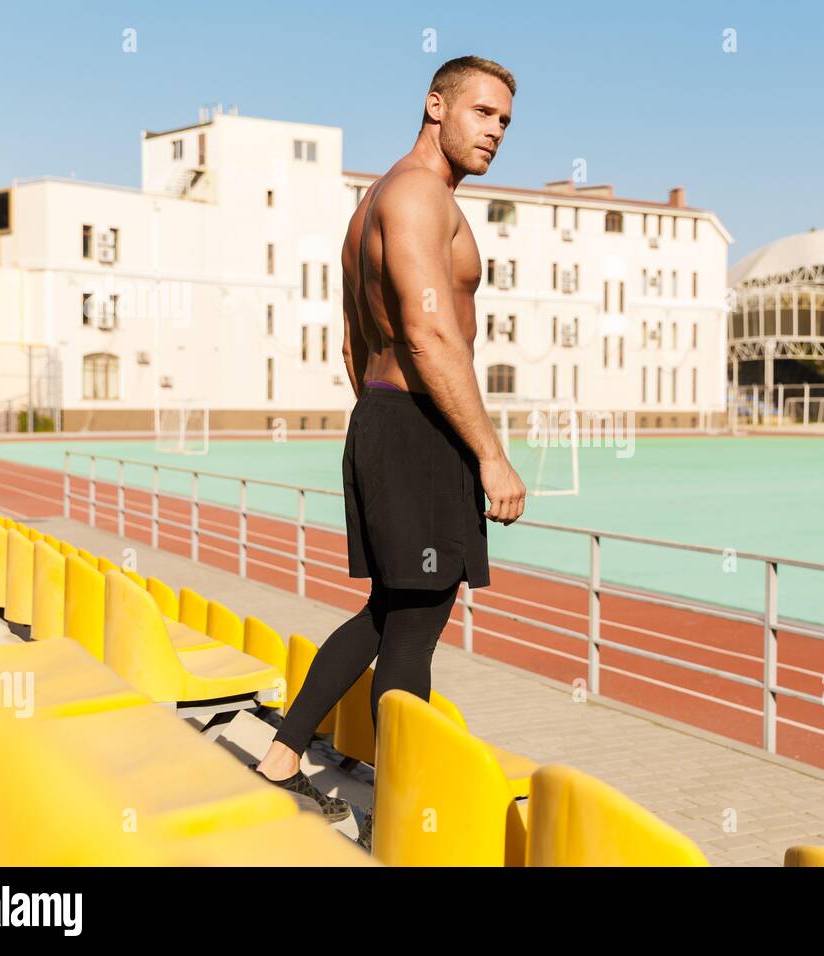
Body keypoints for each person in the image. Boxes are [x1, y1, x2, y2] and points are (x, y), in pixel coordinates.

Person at [249, 55, 527, 850]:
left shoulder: (371, 201)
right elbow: (429, 330)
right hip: (416, 421)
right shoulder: (418, 195)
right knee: (413, 630)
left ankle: (280, 756)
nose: (495, 132)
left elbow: (351, 340)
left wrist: (381, 426)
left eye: (505, 121)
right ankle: (404, 824)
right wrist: (487, 453)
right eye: (482, 113)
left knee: (390, 613)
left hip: (388, 415)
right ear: (436, 105)